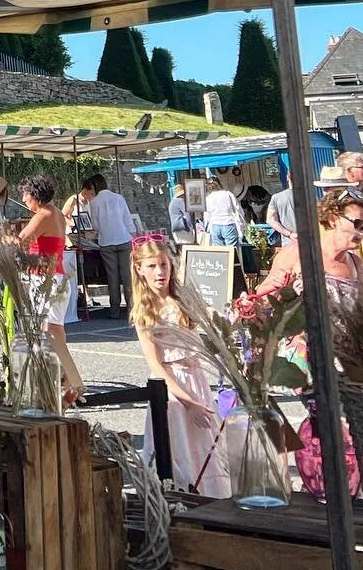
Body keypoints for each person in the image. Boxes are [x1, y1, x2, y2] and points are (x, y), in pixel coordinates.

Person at [130, 236, 229, 496]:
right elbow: (157, 365)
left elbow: (213, 317)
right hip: (172, 391)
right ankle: (177, 500)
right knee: (178, 451)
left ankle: (212, 500)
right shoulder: (145, 311)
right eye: (151, 266)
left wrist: (231, 316)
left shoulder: (183, 299)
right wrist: (189, 403)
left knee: (205, 449)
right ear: (139, 269)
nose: (160, 272)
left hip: (195, 379)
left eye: (164, 264)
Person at [17, 176, 84, 403]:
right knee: (54, 330)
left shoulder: (44, 215)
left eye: (26, 195)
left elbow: (21, 239)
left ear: (35, 195)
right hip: (54, 276)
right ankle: (60, 377)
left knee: (52, 332)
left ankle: (69, 382)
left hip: (47, 279)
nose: (24, 200)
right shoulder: (55, 213)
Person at [81, 173, 135, 318]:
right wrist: (134, 234)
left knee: (113, 277)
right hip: (124, 239)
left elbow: (95, 225)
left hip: (106, 242)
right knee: (127, 277)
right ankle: (132, 309)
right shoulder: (119, 198)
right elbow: (128, 219)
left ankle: (115, 310)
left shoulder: (94, 202)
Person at [202, 177, 243, 248]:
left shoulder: (208, 198)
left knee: (221, 252)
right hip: (228, 223)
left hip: (215, 225)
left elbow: (207, 216)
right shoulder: (228, 194)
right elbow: (238, 209)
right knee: (232, 251)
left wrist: (206, 227)